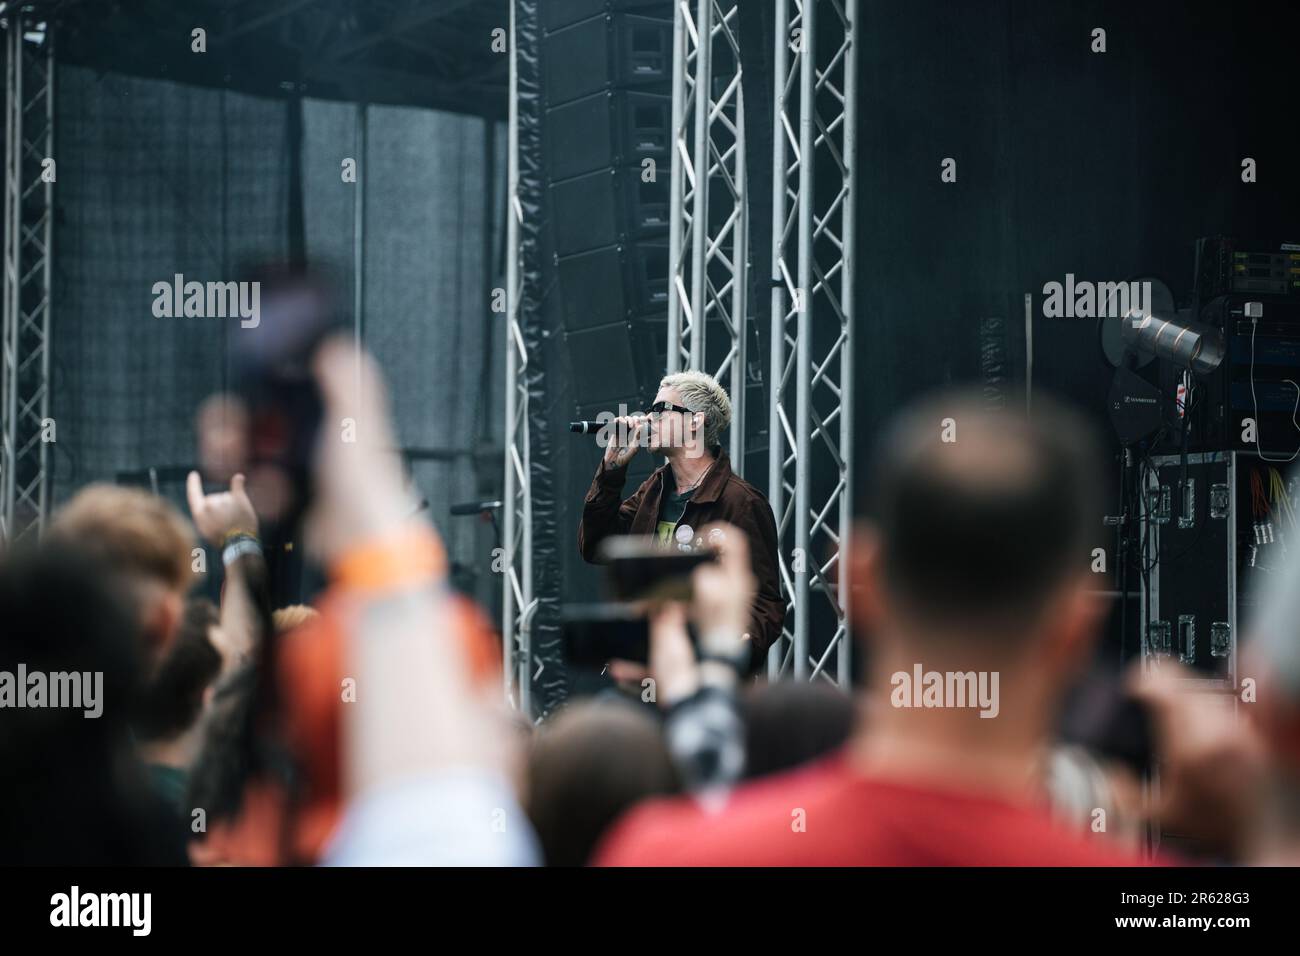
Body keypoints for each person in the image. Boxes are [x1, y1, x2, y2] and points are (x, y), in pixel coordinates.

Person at [595, 391, 1157, 866]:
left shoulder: (661, 852)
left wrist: (724, 651)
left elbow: (767, 607)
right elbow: (595, 541)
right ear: (1080, 624)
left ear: (854, 582)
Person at [578, 370, 783, 672]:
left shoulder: (741, 502)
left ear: (695, 421)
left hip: (700, 672)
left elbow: (765, 603)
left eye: (660, 410)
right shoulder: (655, 489)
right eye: (649, 410)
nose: (648, 418)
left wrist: (730, 652)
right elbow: (595, 547)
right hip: (645, 667)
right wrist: (610, 473)